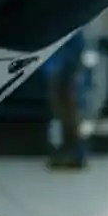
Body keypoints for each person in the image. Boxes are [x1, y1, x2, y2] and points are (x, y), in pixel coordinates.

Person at [42, 30, 88, 171]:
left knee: (65, 99)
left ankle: (74, 150)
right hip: (65, 46)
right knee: (62, 99)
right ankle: (71, 148)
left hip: (66, 47)